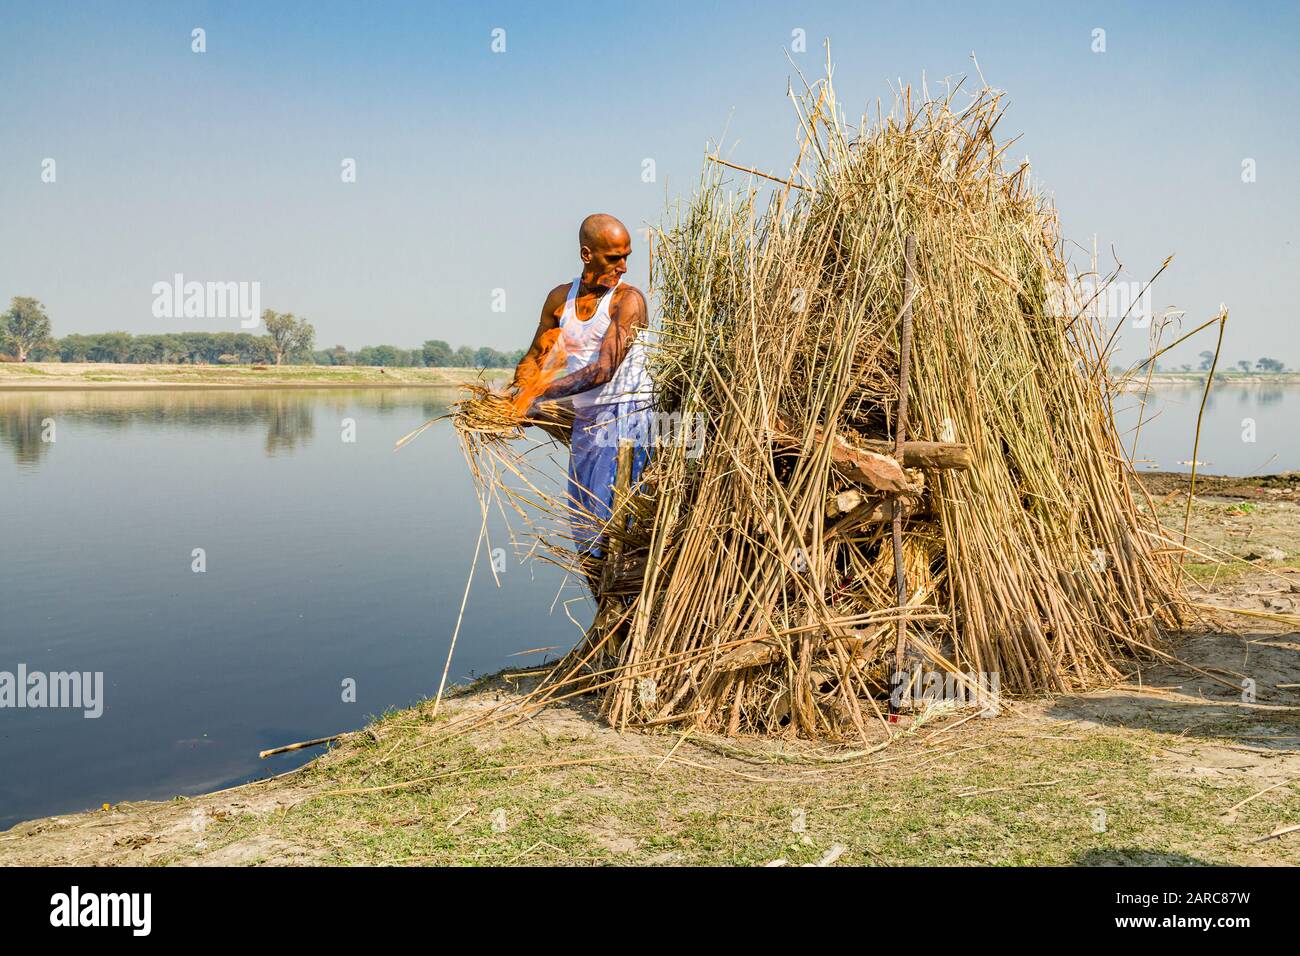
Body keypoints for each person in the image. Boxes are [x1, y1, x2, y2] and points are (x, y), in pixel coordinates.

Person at [509, 214, 654, 558]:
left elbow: (602, 371)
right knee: (584, 525)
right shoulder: (560, 299)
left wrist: (538, 395)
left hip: (625, 416)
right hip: (587, 418)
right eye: (613, 258)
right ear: (587, 255)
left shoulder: (628, 300)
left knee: (613, 526)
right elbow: (534, 357)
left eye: (626, 257)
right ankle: (603, 594)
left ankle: (623, 594)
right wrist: (516, 392)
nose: (623, 267)